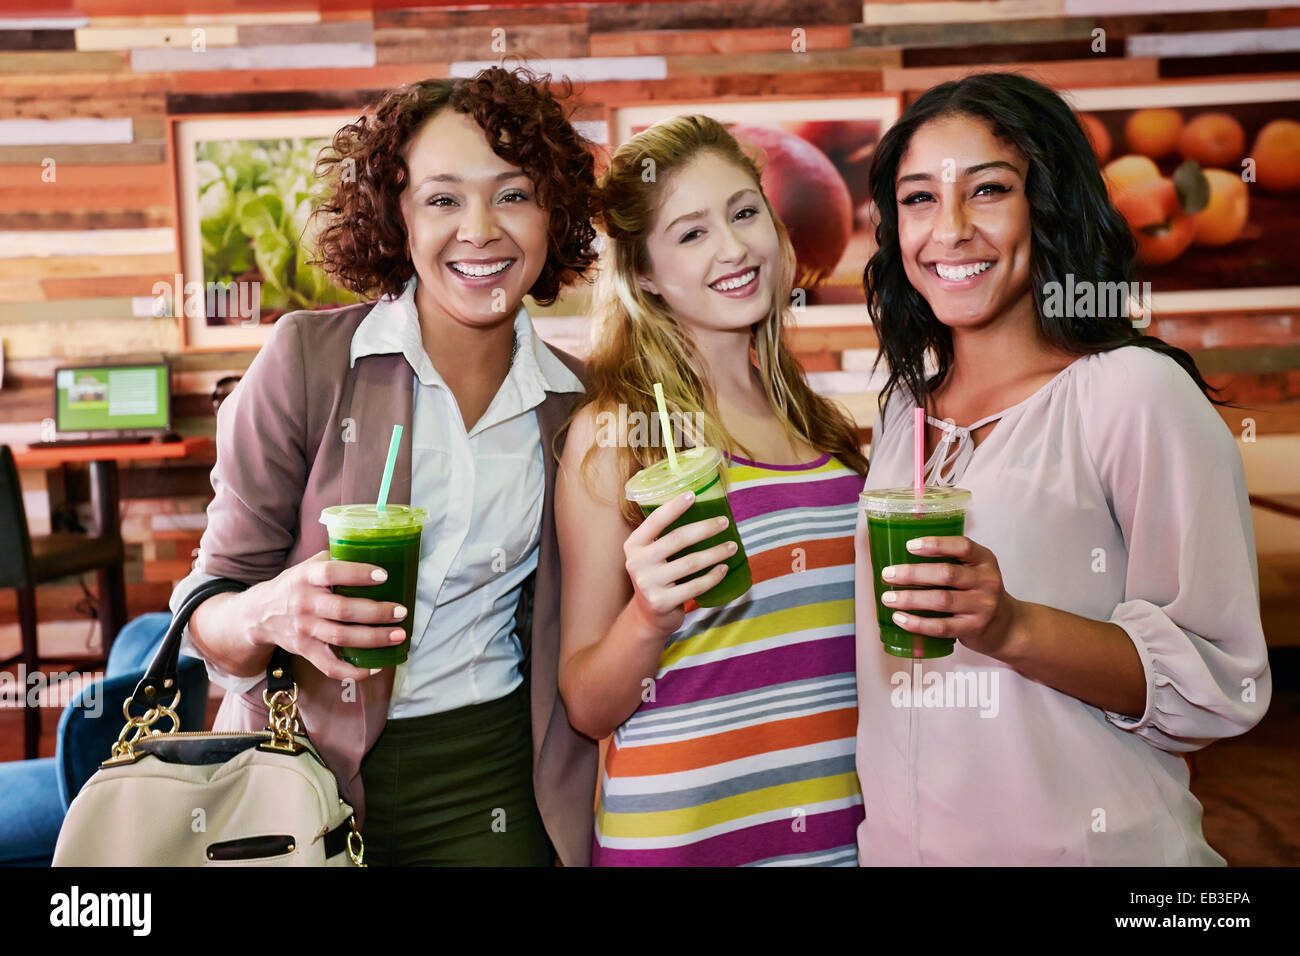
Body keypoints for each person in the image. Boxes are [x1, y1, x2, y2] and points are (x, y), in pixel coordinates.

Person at [169, 66, 601, 866]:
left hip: (494, 780)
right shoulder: (307, 362)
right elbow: (208, 620)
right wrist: (269, 613)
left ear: (554, 214)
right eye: (443, 199)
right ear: (396, 216)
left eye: (513, 194)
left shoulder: (579, 404)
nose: (481, 230)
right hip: (296, 778)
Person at [854, 71, 1271, 865]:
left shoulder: (1132, 393)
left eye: (988, 190)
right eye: (919, 198)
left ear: (1048, 205)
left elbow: (1223, 683)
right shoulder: (904, 412)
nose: (950, 229)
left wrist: (1010, 625)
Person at [556, 115, 870, 866]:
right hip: (683, 839)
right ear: (644, 275)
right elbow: (587, 704)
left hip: (841, 835)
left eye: (743, 213)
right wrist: (648, 615)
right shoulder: (619, 435)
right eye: (691, 233)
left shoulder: (822, 427)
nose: (732, 248)